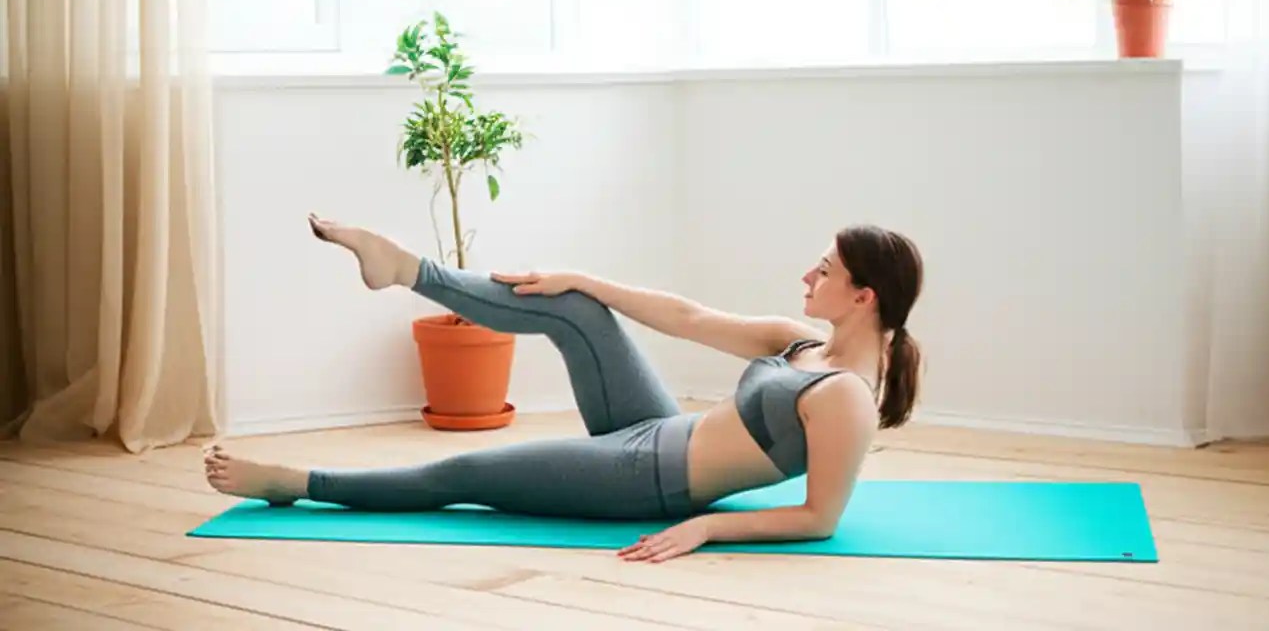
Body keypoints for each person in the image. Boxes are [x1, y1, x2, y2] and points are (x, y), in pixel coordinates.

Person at [204, 213, 924, 563]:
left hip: (643, 480)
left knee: (464, 472)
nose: (807, 276)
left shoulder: (844, 398)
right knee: (575, 309)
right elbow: (688, 317)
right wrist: (583, 279)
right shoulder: (802, 342)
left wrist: (707, 526)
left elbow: (818, 517)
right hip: (656, 428)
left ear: (864, 297)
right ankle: (407, 269)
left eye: (824, 270)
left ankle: (298, 482)